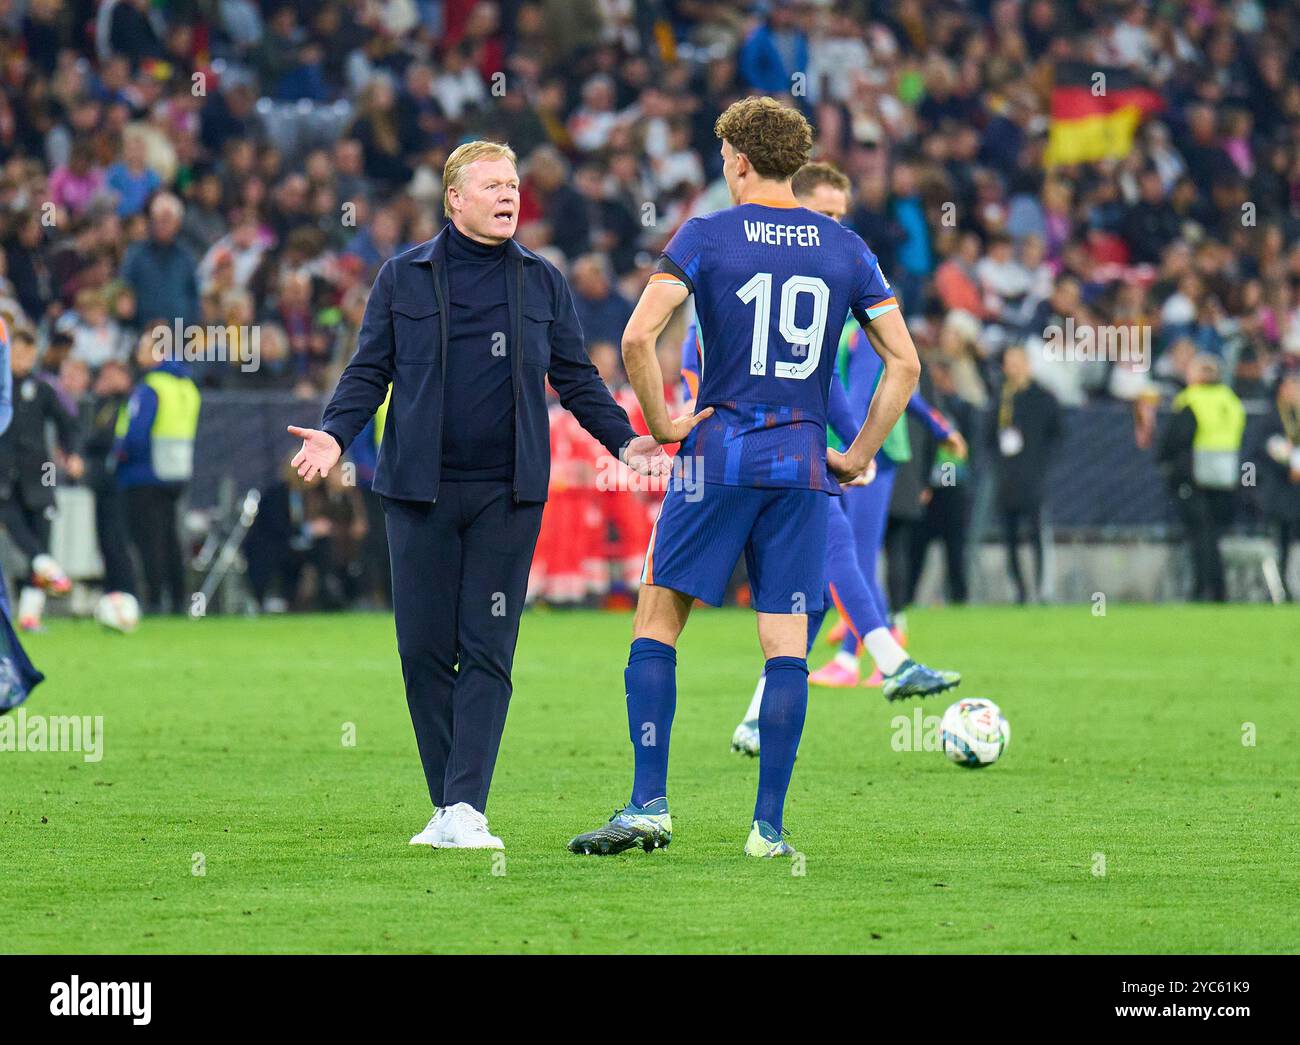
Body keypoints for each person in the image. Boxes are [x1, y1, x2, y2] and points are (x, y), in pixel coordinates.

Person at [287, 140, 669, 851]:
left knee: (487, 645)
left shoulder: (542, 281)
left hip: (507, 495)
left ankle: (467, 805)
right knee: (423, 651)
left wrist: (626, 440)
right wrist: (336, 437)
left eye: (515, 185)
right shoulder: (402, 277)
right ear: (454, 198)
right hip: (417, 493)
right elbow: (369, 371)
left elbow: (577, 377)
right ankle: (447, 805)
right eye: (493, 184)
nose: (508, 196)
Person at [568, 99, 920, 860]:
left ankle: (649, 806)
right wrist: (858, 451)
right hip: (800, 464)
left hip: (716, 455)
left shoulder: (706, 235)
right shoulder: (846, 248)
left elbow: (636, 336)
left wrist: (662, 423)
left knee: (657, 622)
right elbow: (906, 362)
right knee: (785, 645)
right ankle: (768, 830)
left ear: (737, 160)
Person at [711, 162, 962, 759]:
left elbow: (861, 379)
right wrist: (858, 445)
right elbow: (833, 380)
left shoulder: (833, 284)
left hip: (809, 452)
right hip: (779, 449)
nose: (834, 227)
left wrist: (860, 446)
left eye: (841, 217)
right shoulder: (784, 276)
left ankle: (763, 714)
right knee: (826, 564)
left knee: (812, 586)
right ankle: (883, 658)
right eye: (824, 213)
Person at [0, 329, 83, 632]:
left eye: (29, 355)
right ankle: (45, 566)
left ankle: (30, 615)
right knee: (12, 522)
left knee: (43, 534)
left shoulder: (44, 388)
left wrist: (72, 453)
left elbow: (68, 424)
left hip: (42, 472)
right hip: (4, 473)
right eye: (18, 354)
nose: (23, 360)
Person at [114, 330, 201, 615]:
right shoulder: (186, 385)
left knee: (147, 540)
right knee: (171, 537)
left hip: (143, 472)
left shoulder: (151, 386)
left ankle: (153, 599)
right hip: (176, 471)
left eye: (142, 348)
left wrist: (119, 454)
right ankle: (178, 599)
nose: (138, 354)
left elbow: (137, 432)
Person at [1158, 354, 1246, 602]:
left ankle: (1201, 589)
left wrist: (1166, 464)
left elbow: (1174, 441)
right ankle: (1219, 590)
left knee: (1200, 537)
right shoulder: (1231, 402)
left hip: (1194, 478)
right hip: (1226, 478)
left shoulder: (1191, 401)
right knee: (1215, 537)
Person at [990, 345, 1062, 604]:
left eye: (1017, 362)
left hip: (1033, 479)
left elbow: (1059, 435)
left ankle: (1043, 590)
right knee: (1009, 538)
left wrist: (1042, 463)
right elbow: (988, 438)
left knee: (1037, 535)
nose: (1012, 368)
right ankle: (1018, 591)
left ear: (1027, 364)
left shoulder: (1043, 398)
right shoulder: (1000, 399)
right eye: (1008, 363)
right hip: (1007, 479)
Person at [0, 315, 45, 711]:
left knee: (36, 542)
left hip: (38, 481)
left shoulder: (41, 388)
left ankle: (9, 665)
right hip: (9, 480)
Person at [1258, 369, 1300, 600]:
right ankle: (1278, 590)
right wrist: (1252, 488)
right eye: (1291, 385)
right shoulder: (1271, 419)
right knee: (1280, 542)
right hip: (1280, 491)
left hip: (1294, 491)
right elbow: (1260, 454)